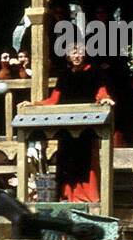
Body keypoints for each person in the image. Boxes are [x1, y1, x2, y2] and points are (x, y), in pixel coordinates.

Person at [24, 44, 114, 204]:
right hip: (66, 127)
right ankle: (67, 196)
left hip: (87, 126)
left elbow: (101, 93)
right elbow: (53, 100)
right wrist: (34, 104)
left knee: (86, 162)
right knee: (66, 160)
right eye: (73, 53)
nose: (77, 56)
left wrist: (105, 99)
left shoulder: (95, 73)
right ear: (68, 56)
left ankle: (88, 198)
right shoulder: (64, 76)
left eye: (80, 53)